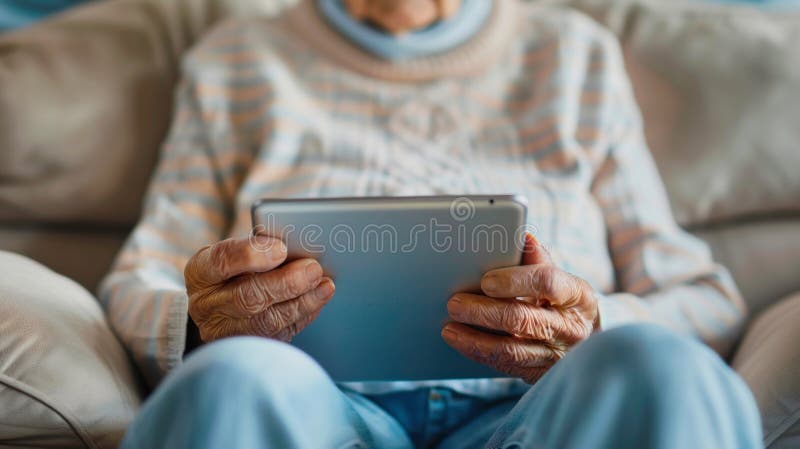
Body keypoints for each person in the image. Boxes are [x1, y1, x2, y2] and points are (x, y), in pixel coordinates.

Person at [99, 0, 765, 447]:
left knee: (658, 366)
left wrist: (591, 328)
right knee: (231, 379)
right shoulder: (234, 59)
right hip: (318, 409)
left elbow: (703, 295)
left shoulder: (573, 55)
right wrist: (201, 323)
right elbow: (138, 277)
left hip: (539, 413)